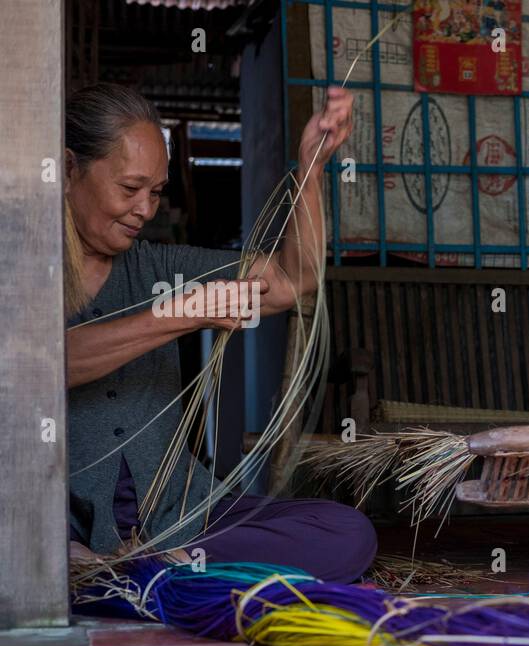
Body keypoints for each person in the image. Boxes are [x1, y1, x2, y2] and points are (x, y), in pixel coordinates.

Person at [64, 82, 376, 582]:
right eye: (129, 189)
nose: (145, 209)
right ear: (68, 169)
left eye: (156, 192)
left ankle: (137, 573)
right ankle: (112, 572)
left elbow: (294, 279)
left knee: (345, 533)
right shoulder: (24, 272)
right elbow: (43, 365)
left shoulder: (160, 266)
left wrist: (311, 169)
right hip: (59, 520)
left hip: (178, 519)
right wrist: (182, 314)